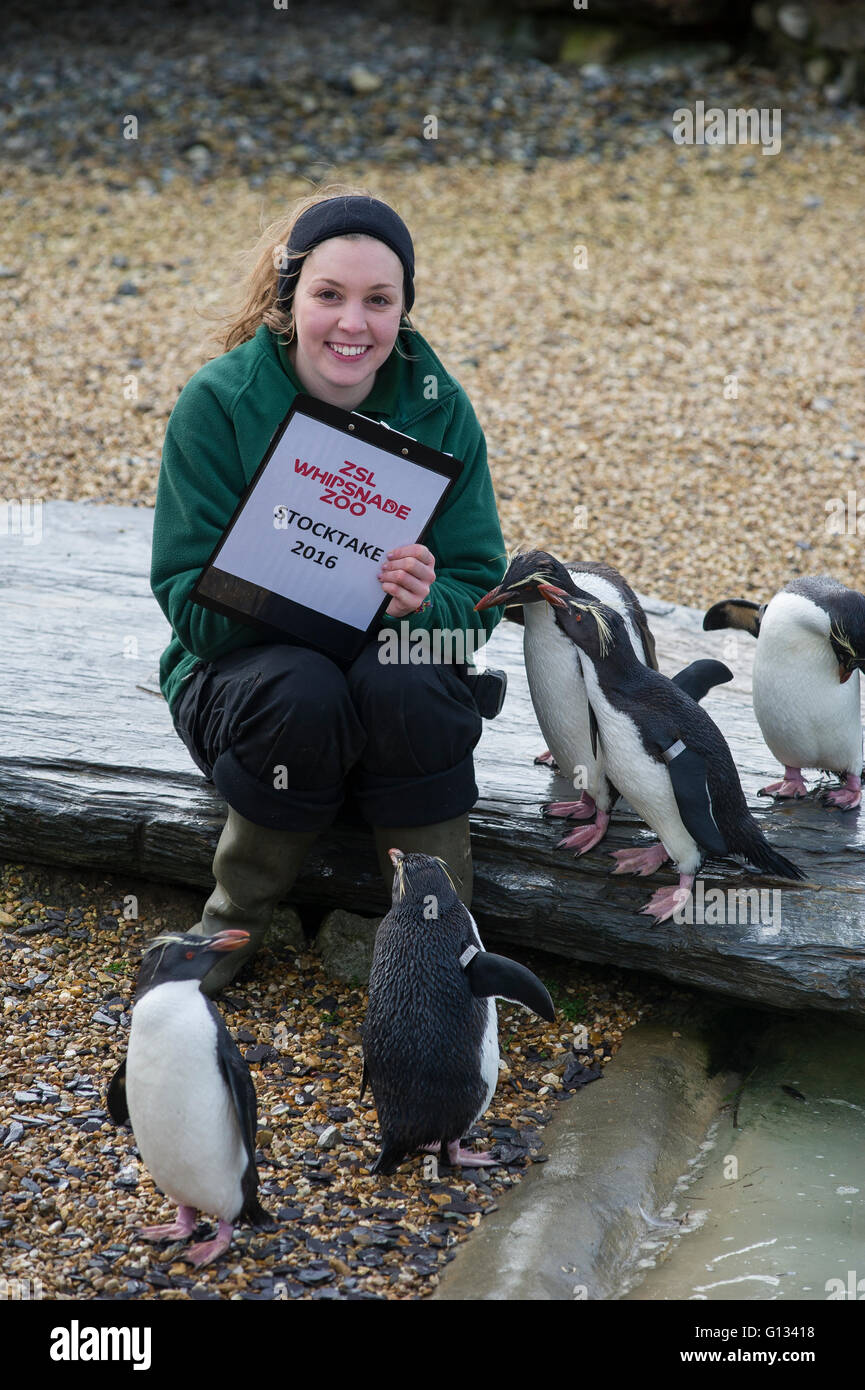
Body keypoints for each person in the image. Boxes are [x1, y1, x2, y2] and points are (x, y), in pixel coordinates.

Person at [151, 185, 507, 994]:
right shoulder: (219, 402)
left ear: (404, 307)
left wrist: (428, 600)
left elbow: (476, 591)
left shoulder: (438, 408)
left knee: (407, 673)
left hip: (385, 678)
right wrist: (263, 569)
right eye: (328, 295)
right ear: (290, 299)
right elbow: (187, 606)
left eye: (378, 300)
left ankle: (442, 952)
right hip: (250, 679)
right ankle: (228, 930)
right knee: (305, 686)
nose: (353, 324)